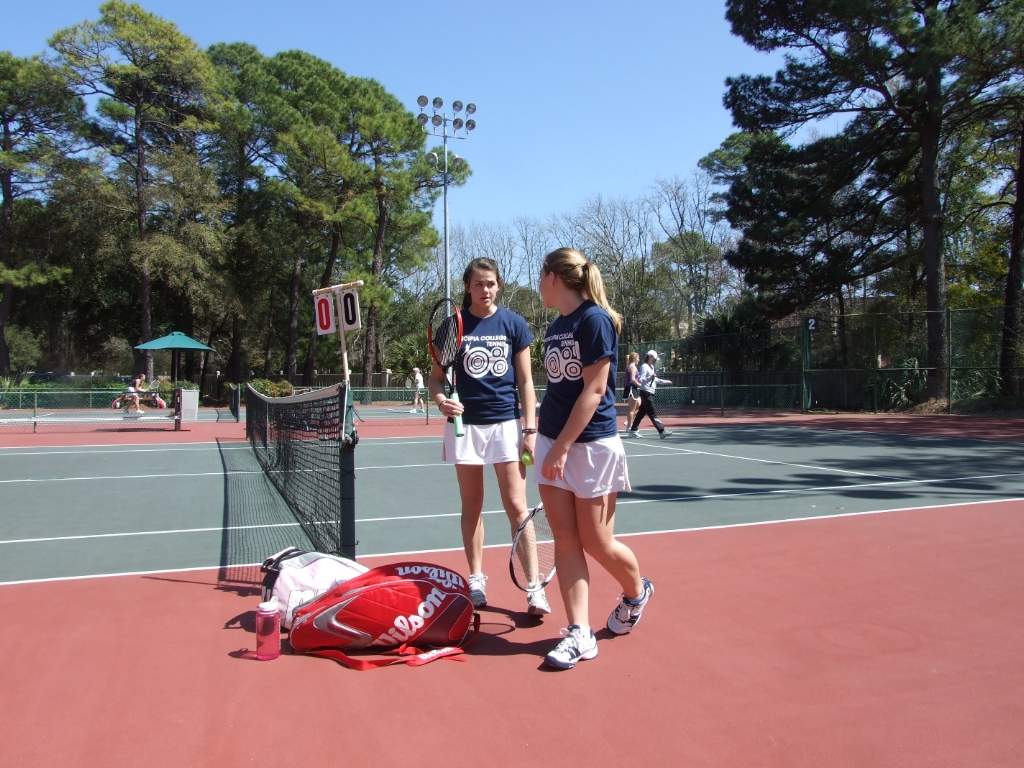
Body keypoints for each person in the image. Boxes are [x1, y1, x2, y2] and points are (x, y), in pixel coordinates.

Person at [534, 247, 654, 670]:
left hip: (591, 447)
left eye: (540, 275)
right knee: (565, 540)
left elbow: (595, 390)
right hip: (552, 441)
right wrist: (542, 437)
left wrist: (563, 446)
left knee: (597, 542)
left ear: (553, 277)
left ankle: (637, 593)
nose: (538, 284)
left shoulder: (594, 320)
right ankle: (579, 633)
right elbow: (560, 388)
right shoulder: (555, 326)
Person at [427, 257, 548, 615]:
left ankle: (534, 586)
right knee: (472, 504)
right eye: (478, 284)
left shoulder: (514, 323)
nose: (485, 290)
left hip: (506, 425)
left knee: (517, 505)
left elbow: (526, 381)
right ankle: (476, 578)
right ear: (467, 287)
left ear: (499, 285)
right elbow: (436, 379)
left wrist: (530, 429)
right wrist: (442, 402)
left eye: (491, 283)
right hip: (464, 427)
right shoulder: (453, 326)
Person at [627, 351, 673, 439]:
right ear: (650, 357)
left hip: (650, 393)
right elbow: (641, 380)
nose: (655, 360)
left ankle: (633, 430)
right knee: (653, 413)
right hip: (646, 393)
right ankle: (662, 431)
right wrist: (650, 377)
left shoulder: (651, 367)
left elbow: (655, 380)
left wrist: (666, 382)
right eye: (654, 358)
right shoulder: (644, 367)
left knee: (641, 413)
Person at [624, 351, 641, 430]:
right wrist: (639, 384)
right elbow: (632, 379)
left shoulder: (633, 366)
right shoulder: (632, 367)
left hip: (634, 388)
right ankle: (629, 426)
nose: (639, 360)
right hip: (631, 388)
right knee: (632, 409)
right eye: (638, 358)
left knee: (639, 406)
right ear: (634, 359)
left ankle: (628, 421)